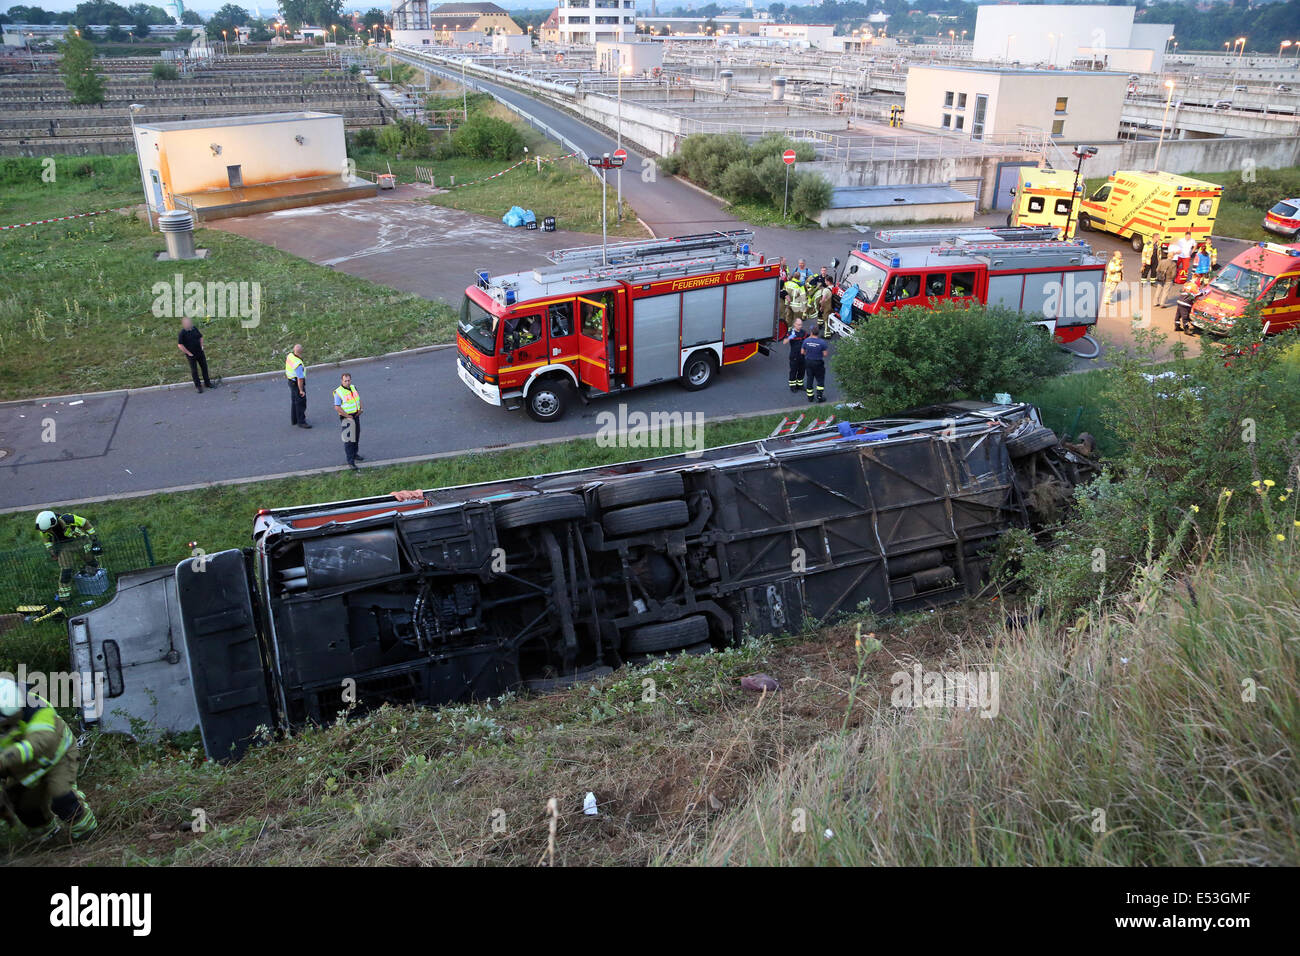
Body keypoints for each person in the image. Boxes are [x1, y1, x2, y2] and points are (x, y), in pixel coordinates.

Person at [0, 678, 97, 843]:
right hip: (27, 770)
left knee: (62, 798)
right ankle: (49, 834)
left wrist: (5, 759)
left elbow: (40, 742)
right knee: (27, 810)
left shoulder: (36, 707)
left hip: (59, 758)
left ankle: (87, 834)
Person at [35, 511, 101, 602]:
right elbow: (47, 541)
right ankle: (64, 598)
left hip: (81, 541)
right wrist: (51, 551)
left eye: (49, 529)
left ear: (53, 523)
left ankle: (96, 579)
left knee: (91, 561)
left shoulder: (69, 519)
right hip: (63, 547)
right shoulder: (44, 529)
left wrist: (94, 538)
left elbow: (85, 523)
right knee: (66, 570)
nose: (47, 532)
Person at [334, 372, 364, 471]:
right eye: (345, 381)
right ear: (341, 381)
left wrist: (360, 409)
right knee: (349, 440)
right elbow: (337, 407)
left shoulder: (353, 387)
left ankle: (355, 454)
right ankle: (350, 461)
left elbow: (358, 399)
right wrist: (348, 416)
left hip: (356, 415)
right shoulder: (338, 392)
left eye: (348, 380)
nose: (347, 382)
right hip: (347, 418)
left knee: (356, 436)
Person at [177, 317, 216, 393]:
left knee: (204, 367)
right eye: (186, 323)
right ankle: (198, 386)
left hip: (200, 352)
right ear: (184, 324)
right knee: (194, 371)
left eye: (189, 322)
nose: (188, 324)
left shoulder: (194, 329)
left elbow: (200, 337)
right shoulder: (182, 333)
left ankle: (207, 383)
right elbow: (180, 345)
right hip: (191, 355)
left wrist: (202, 346)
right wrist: (188, 353)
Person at [801, 323, 829, 404]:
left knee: (810, 379)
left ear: (811, 332)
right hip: (818, 363)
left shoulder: (806, 341)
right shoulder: (822, 342)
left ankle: (810, 397)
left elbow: (802, 352)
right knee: (820, 380)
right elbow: (825, 354)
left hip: (808, 362)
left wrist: (809, 353)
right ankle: (819, 397)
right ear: (818, 333)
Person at [285, 343, 310, 429]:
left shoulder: (290, 356)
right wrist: (301, 390)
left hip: (290, 380)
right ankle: (301, 421)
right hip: (296, 383)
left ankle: (294, 419)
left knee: (294, 401)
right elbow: (300, 378)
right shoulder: (298, 364)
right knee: (301, 402)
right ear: (301, 352)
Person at [786, 316, 806, 392]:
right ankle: (792, 386)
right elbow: (786, 341)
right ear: (794, 324)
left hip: (802, 355)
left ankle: (800, 385)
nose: (800, 326)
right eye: (798, 324)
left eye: (801, 324)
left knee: (802, 370)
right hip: (794, 355)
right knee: (793, 371)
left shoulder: (803, 332)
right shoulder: (791, 333)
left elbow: (807, 339)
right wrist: (791, 337)